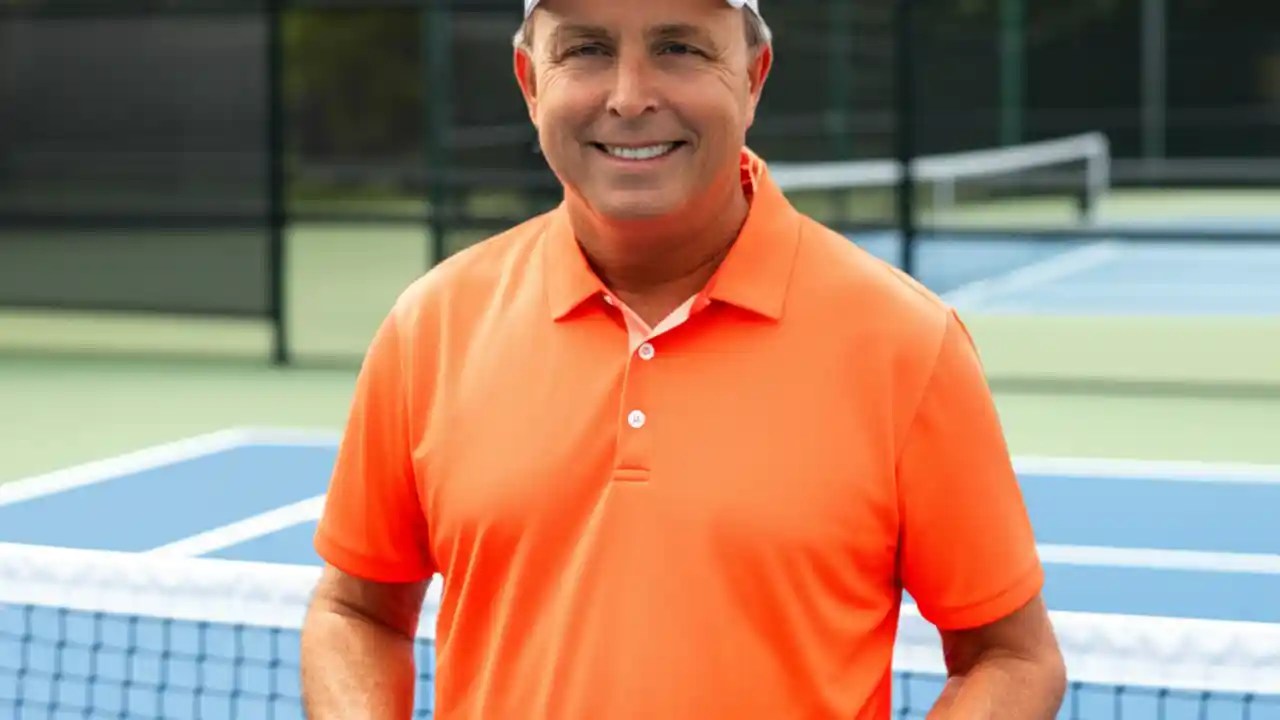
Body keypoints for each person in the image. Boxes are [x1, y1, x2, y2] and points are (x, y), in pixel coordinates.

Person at [299, 0, 1068, 717]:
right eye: (587, 50)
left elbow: (1012, 657)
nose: (631, 95)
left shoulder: (907, 341)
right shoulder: (429, 325)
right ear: (531, 82)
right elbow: (354, 610)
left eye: (678, 48)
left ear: (754, 75)